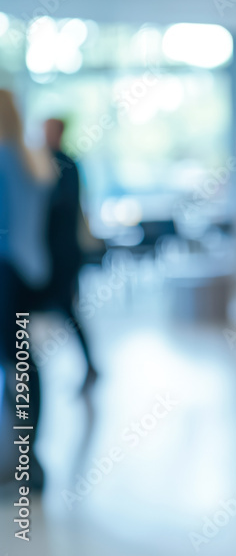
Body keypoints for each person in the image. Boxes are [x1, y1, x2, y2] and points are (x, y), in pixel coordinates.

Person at [0, 89, 52, 492]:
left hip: (6, 272)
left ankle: (18, 459)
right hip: (26, 271)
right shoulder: (32, 157)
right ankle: (26, 455)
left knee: (16, 362)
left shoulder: (4, 158)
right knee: (20, 359)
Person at [42, 118, 98, 391]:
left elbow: (61, 206)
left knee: (67, 308)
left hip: (63, 252)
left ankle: (90, 365)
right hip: (54, 252)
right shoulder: (49, 161)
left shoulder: (63, 164)